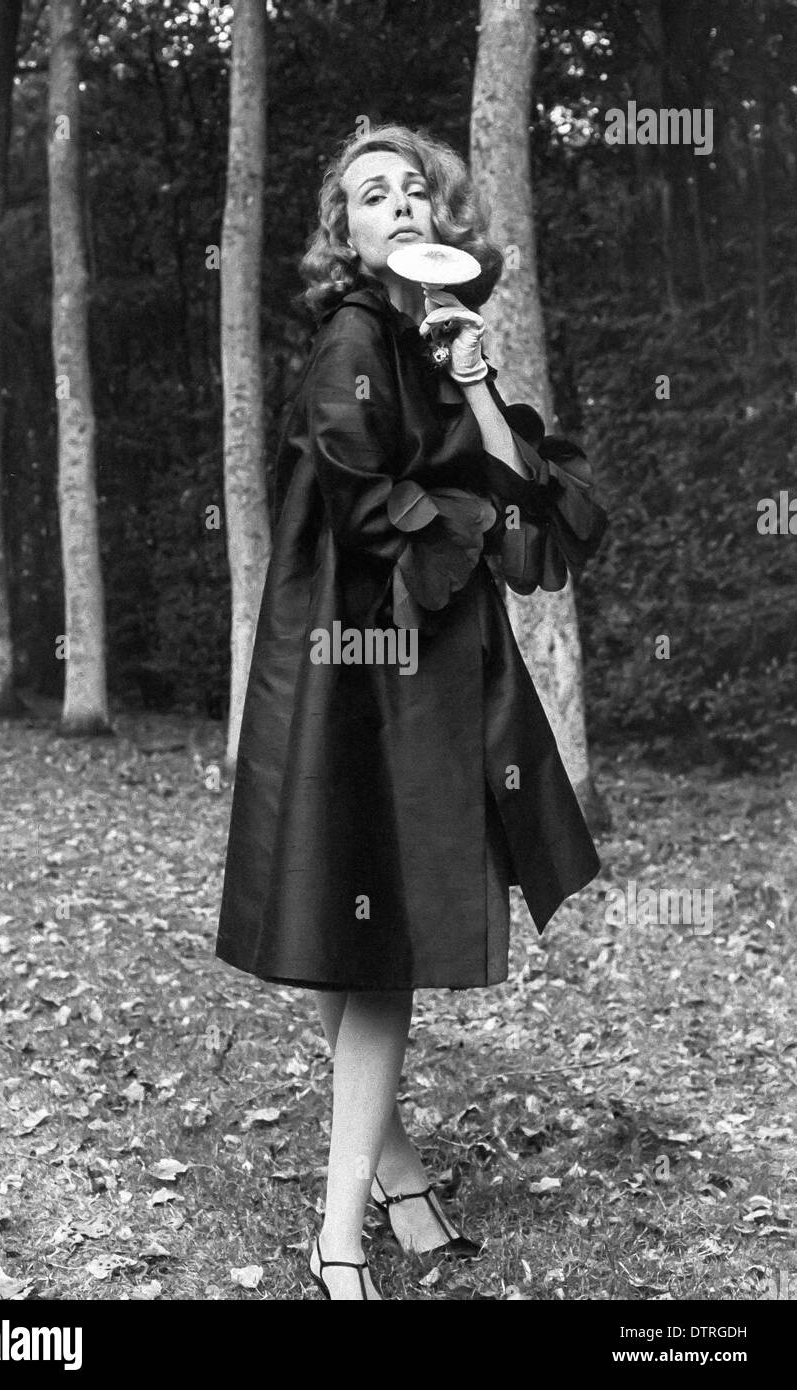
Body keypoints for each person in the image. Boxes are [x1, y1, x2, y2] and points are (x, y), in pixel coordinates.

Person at [215, 124, 608, 1300]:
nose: (395, 206)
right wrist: (477, 523)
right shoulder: (350, 335)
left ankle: (393, 1177)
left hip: (419, 658)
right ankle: (339, 1236)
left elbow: (535, 512)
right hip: (356, 660)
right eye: (367, 196)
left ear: (440, 220)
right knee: (371, 929)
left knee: (361, 924)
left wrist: (481, 381)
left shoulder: (442, 341)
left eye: (412, 192)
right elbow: (364, 498)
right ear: (345, 233)